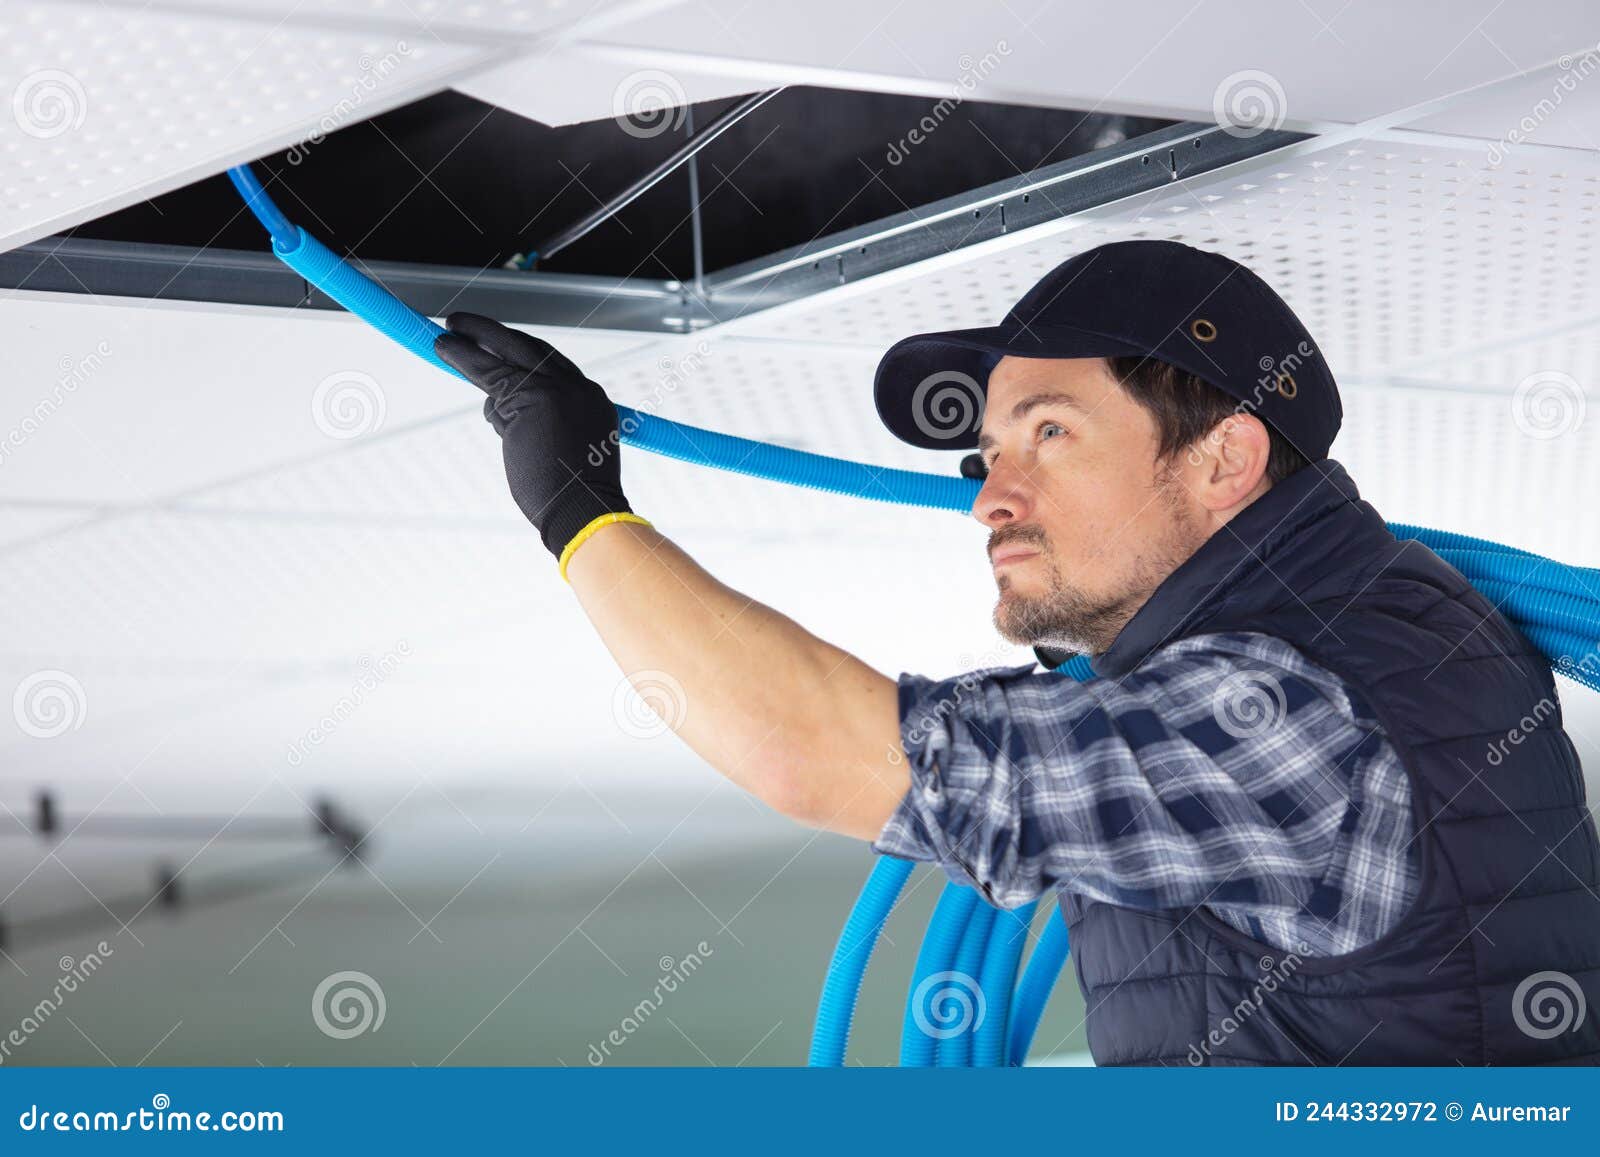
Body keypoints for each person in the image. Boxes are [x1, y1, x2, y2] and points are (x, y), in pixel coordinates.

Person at [435, 238, 1600, 1066]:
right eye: (988, 450)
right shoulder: (1372, 620)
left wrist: (577, 511)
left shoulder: (1280, 708)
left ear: (1223, 459)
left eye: (1050, 431)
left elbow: (821, 754)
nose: (993, 495)